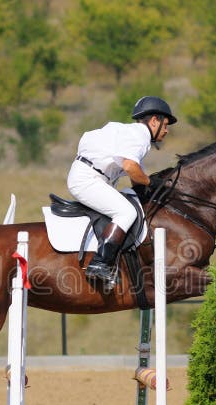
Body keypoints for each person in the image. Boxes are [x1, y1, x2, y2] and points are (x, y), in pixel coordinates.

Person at [66, 96, 177, 281]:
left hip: (92, 177)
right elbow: (130, 167)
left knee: (130, 202)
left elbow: (135, 176)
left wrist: (146, 190)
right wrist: (150, 182)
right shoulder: (140, 136)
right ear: (154, 121)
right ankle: (100, 263)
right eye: (165, 125)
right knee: (126, 212)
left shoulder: (132, 134)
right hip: (87, 179)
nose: (166, 130)